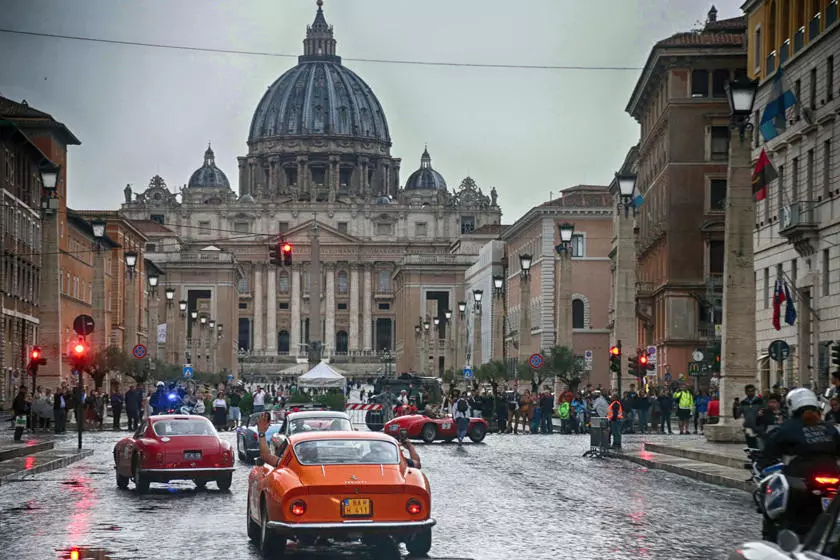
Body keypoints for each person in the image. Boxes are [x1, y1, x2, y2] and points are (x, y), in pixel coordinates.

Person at [762, 388, 840, 539]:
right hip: (833, 475)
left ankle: (774, 537)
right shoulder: (829, 428)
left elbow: (770, 450)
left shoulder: (787, 428)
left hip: (801, 479)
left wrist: (765, 462)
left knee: (778, 504)